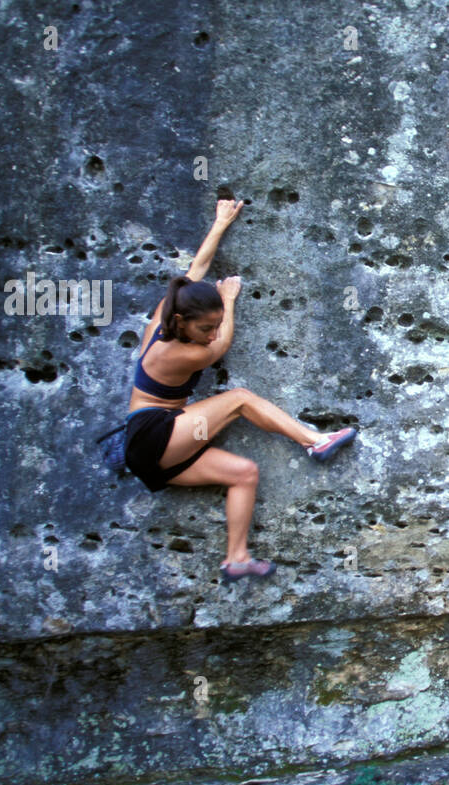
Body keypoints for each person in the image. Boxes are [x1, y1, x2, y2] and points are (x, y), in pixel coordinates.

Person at [123, 198, 357, 582]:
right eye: (204, 328)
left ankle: (236, 558)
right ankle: (313, 441)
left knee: (244, 472)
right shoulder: (172, 352)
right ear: (182, 323)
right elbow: (221, 348)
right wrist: (229, 303)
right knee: (239, 400)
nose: (210, 333)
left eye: (214, 325)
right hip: (153, 434)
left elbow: (195, 270)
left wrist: (220, 223)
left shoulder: (167, 313)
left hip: (167, 449)